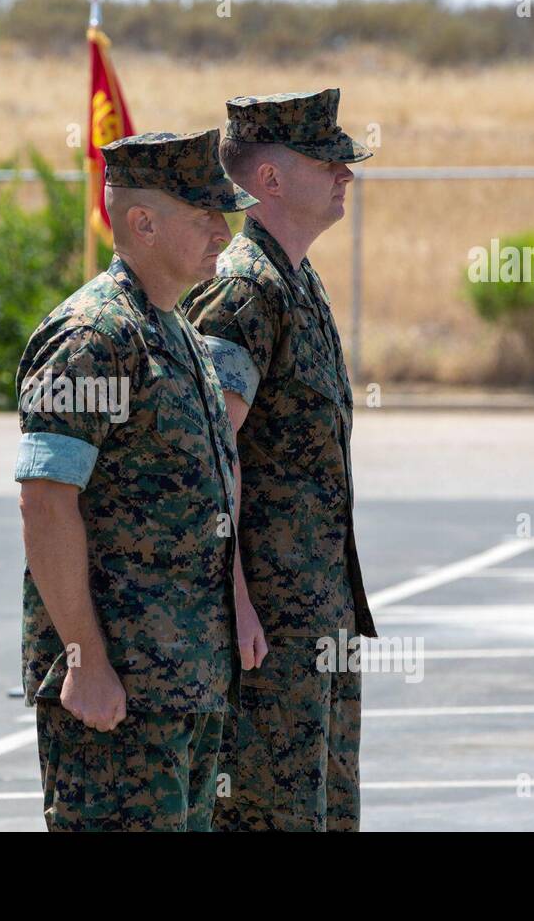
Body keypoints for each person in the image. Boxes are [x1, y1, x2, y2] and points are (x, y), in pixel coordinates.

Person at [14, 129, 256, 830]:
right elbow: (45, 502)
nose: (223, 230)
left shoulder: (173, 329)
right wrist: (85, 660)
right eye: (205, 215)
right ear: (143, 223)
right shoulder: (96, 337)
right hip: (119, 694)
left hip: (186, 682)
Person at [183, 89, 379, 832]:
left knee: (327, 814)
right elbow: (209, 455)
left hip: (316, 615)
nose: (345, 174)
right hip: (268, 629)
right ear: (269, 182)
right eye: (327, 161)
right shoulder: (244, 291)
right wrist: (233, 601)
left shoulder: (298, 280)